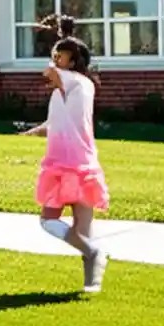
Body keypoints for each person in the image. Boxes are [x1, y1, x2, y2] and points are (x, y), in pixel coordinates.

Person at [20, 34, 111, 293]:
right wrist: (34, 131)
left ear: (73, 61)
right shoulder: (68, 88)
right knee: (79, 229)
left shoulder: (75, 81)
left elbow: (48, 71)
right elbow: (57, 123)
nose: (54, 61)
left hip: (71, 163)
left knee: (55, 222)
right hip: (74, 161)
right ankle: (93, 262)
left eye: (60, 56)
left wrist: (54, 35)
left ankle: (92, 266)